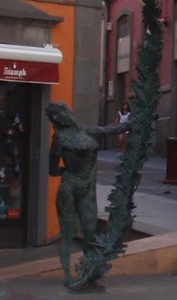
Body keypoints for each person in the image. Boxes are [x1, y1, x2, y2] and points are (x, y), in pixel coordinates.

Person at [46, 102, 128, 289]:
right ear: (57, 118)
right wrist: (69, 172)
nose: (69, 112)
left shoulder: (86, 131)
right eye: (64, 111)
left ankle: (89, 271)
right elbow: (52, 169)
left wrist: (133, 124)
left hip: (87, 187)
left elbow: (111, 130)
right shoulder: (59, 139)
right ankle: (68, 276)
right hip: (70, 188)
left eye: (68, 109)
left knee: (90, 233)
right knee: (67, 234)